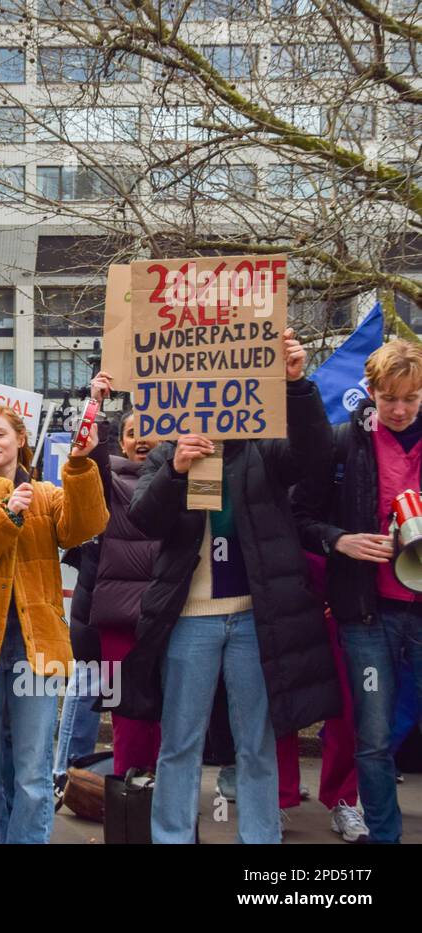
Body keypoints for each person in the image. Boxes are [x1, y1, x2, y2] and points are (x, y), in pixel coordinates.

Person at [120, 328, 338, 844]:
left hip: (253, 620)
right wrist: (174, 470)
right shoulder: (167, 452)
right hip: (190, 620)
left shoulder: (263, 447)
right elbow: (144, 522)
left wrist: (297, 385)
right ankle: (172, 837)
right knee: (180, 742)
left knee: (256, 744)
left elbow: (315, 455)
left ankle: (260, 842)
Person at [0, 398, 107, 844]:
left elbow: (84, 526)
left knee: (33, 775)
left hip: (37, 650)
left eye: (0, 433)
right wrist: (8, 513)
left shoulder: (48, 494)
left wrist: (79, 465)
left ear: (21, 440)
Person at [292, 338, 422, 843]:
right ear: (370, 391)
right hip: (368, 614)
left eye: (411, 398)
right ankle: (383, 836)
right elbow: (301, 516)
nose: (399, 409)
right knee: (371, 739)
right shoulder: (343, 441)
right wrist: (341, 540)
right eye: (390, 397)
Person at [69, 378, 162, 777]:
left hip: (169, 613)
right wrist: (95, 404)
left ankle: (164, 797)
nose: (141, 440)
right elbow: (91, 452)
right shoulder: (109, 481)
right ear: (121, 443)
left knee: (168, 714)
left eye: (150, 431)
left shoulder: (181, 479)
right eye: (131, 433)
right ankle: (128, 794)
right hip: (119, 621)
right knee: (127, 717)